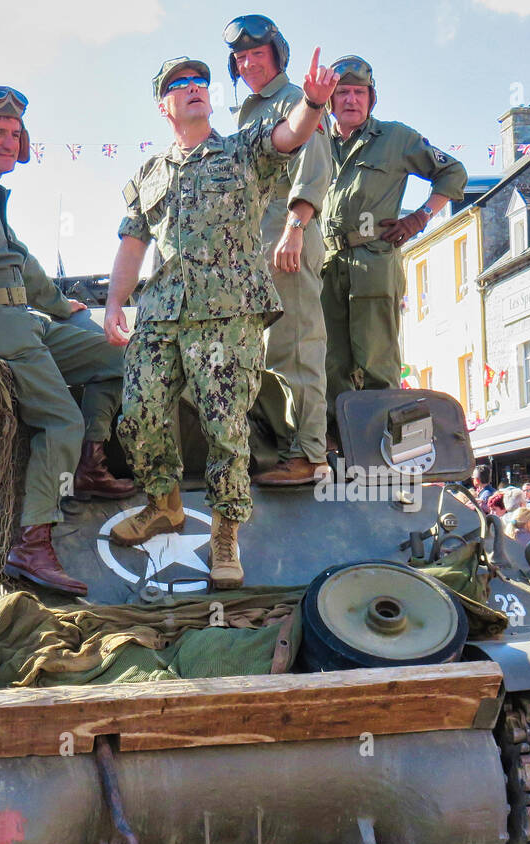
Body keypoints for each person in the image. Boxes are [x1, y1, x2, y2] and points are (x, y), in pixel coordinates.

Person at [104, 53, 339, 589]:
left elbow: (290, 135)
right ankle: (163, 504)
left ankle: (226, 537)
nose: (194, 89)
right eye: (181, 84)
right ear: (164, 106)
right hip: (162, 313)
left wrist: (314, 102)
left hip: (228, 316)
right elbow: (132, 242)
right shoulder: (149, 173)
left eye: (201, 82)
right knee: (138, 414)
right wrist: (116, 304)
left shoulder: (241, 150)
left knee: (224, 429)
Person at [0, 87, 134, 597]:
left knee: (125, 357)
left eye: (14, 133)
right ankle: (32, 540)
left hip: (26, 320)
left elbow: (26, 267)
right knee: (60, 419)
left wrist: (64, 308)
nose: (8, 140)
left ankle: (88, 459)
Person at [320, 55, 467, 438]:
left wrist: (420, 217)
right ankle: (340, 445)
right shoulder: (316, 141)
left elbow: (453, 172)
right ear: (330, 99)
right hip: (326, 262)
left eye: (359, 92)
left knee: (376, 360)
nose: (351, 100)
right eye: (343, 93)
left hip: (374, 261)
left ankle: (383, 448)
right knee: (330, 363)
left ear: (371, 98)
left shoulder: (395, 138)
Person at [226, 15, 334, 487]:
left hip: (288, 238)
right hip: (255, 248)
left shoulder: (295, 101)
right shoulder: (247, 113)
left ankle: (310, 455)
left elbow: (315, 164)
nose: (249, 63)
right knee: (265, 354)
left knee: (296, 346)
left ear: (277, 56)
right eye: (241, 57)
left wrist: (295, 227)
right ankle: (282, 448)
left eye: (258, 54)